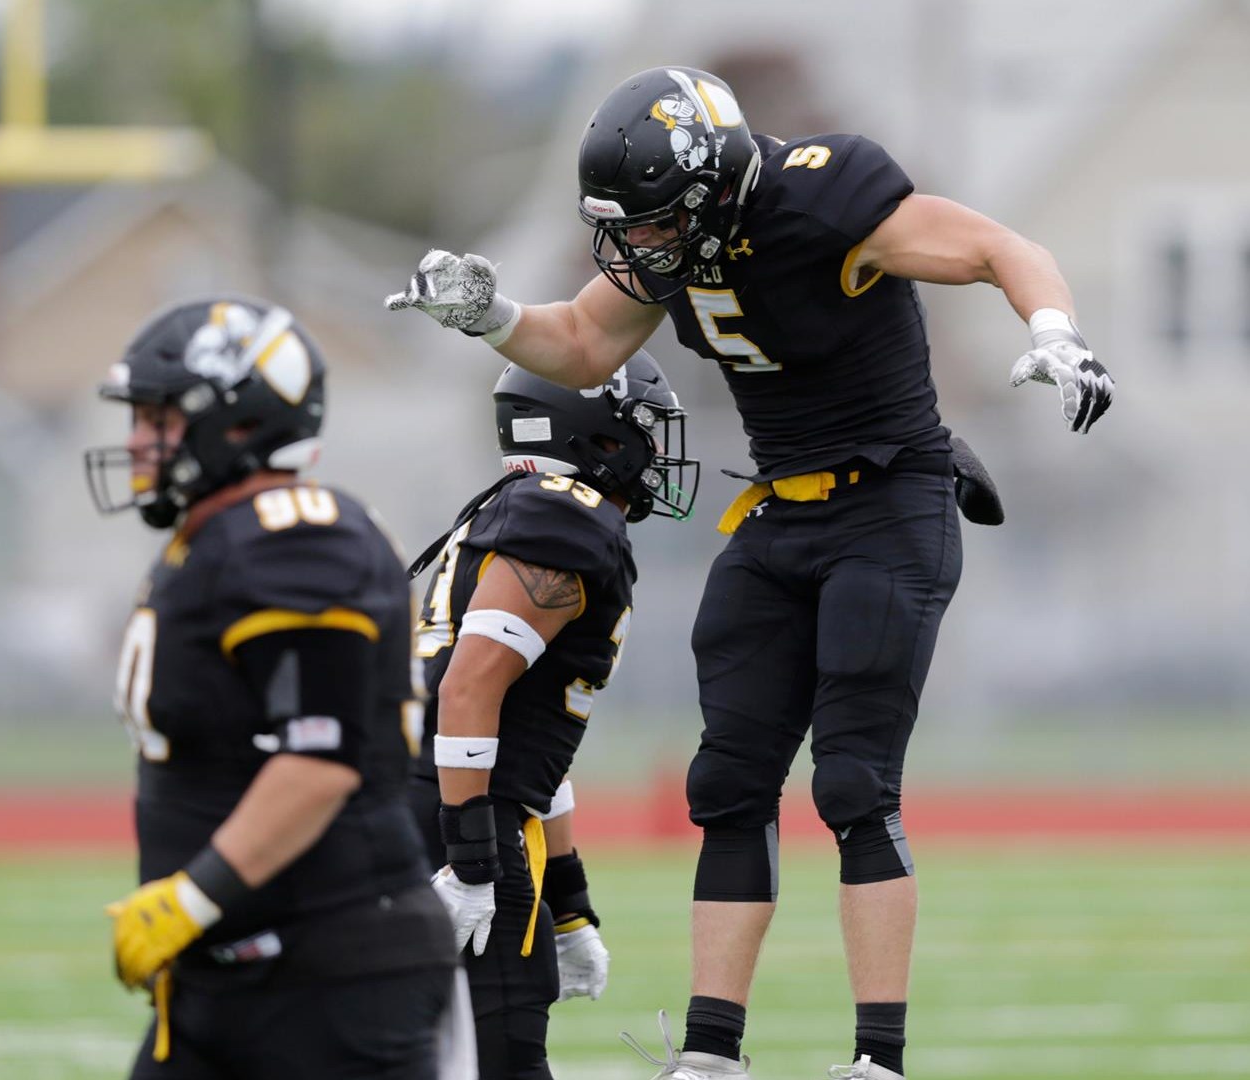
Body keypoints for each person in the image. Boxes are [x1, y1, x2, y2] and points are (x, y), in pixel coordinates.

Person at [387, 64, 1108, 1080]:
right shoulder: (676, 234)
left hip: (888, 502)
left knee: (855, 783)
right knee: (727, 784)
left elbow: (999, 247)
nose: (635, 243)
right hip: (781, 509)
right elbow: (585, 342)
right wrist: (490, 313)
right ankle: (713, 1055)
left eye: (650, 221)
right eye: (623, 223)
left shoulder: (825, 195)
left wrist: (1054, 333)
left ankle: (877, 1060)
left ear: (716, 186)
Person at [89, 298, 455, 1079]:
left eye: (158, 418)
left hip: (330, 972)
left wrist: (189, 899)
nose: (136, 442)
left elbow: (319, 758)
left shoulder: (295, 537)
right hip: (234, 969)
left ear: (241, 424)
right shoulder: (220, 538)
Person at [407, 352, 697, 1078]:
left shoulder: (520, 508)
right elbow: (468, 691)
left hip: (457, 804)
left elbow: (521, 736)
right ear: (595, 432)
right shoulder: (562, 513)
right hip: (461, 817)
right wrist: (474, 860)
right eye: (641, 428)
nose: (653, 450)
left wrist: (568, 902)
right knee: (503, 1055)